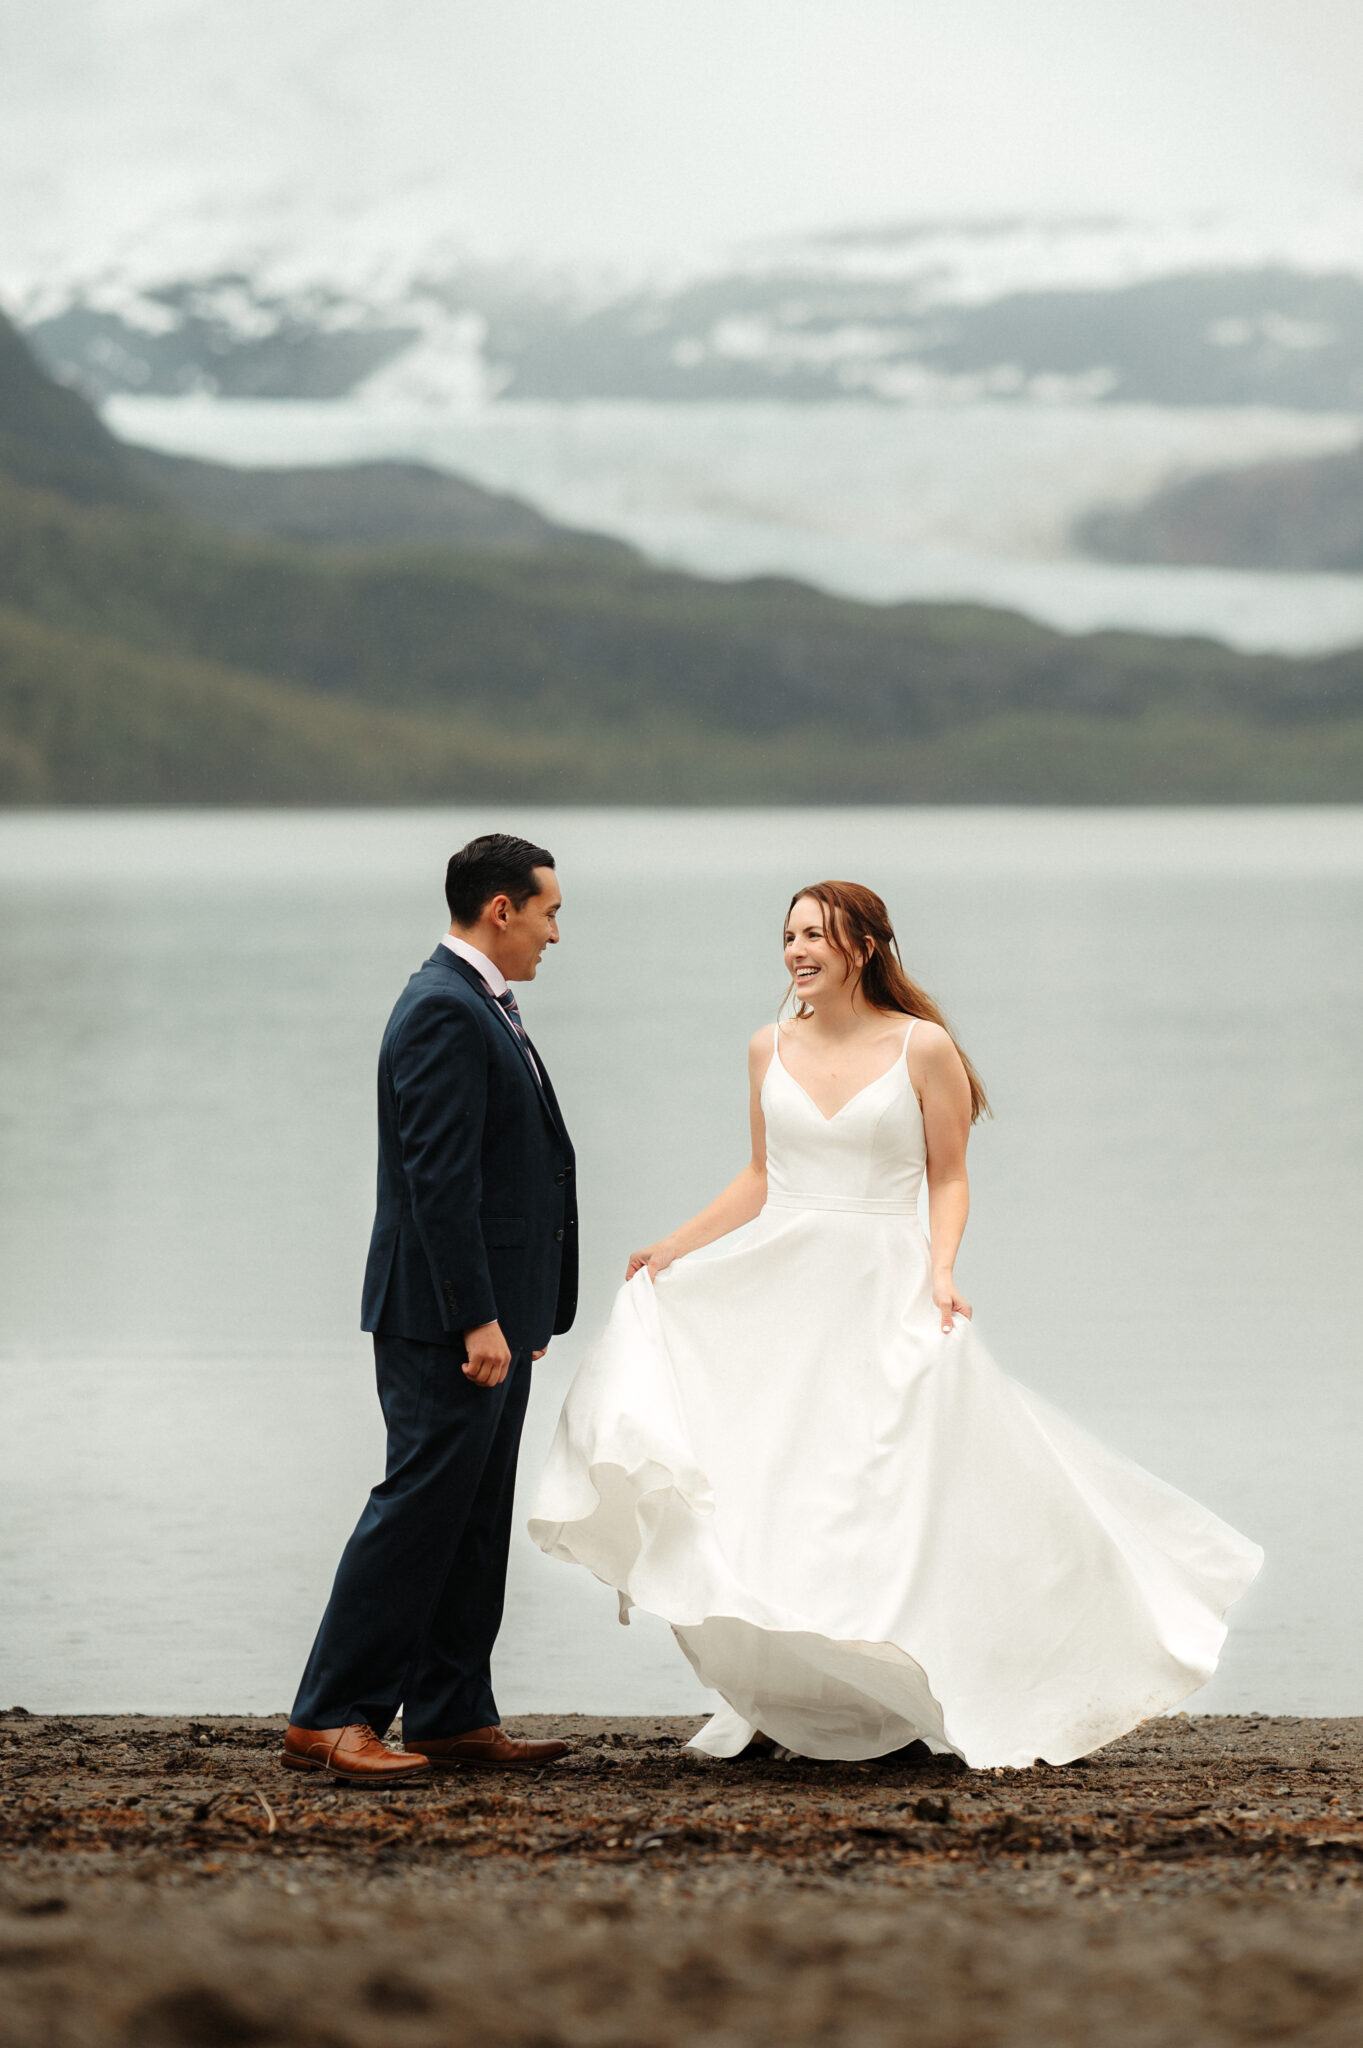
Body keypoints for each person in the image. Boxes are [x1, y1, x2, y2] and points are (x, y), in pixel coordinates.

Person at [530, 879, 1261, 1768]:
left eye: (816, 937)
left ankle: (898, 1688)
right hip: (781, 1290)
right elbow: (762, 1176)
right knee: (775, 1483)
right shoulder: (768, 1046)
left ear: (863, 948)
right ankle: (786, 1694)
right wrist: (671, 1249)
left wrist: (941, 1270)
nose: (798, 952)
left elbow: (947, 1176)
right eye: (789, 936)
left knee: (874, 1488)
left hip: (884, 1283)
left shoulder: (924, 1047)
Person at [284, 834, 578, 1784]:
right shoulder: (443, 1011)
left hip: (493, 1316)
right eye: (549, 912)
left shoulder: (480, 1004)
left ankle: (452, 1711)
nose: (553, 933)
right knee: (417, 1508)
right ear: (502, 909)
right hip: (443, 1319)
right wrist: (476, 1318)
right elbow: (437, 1183)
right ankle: (331, 1714)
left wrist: (518, 1314)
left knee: (473, 1513)